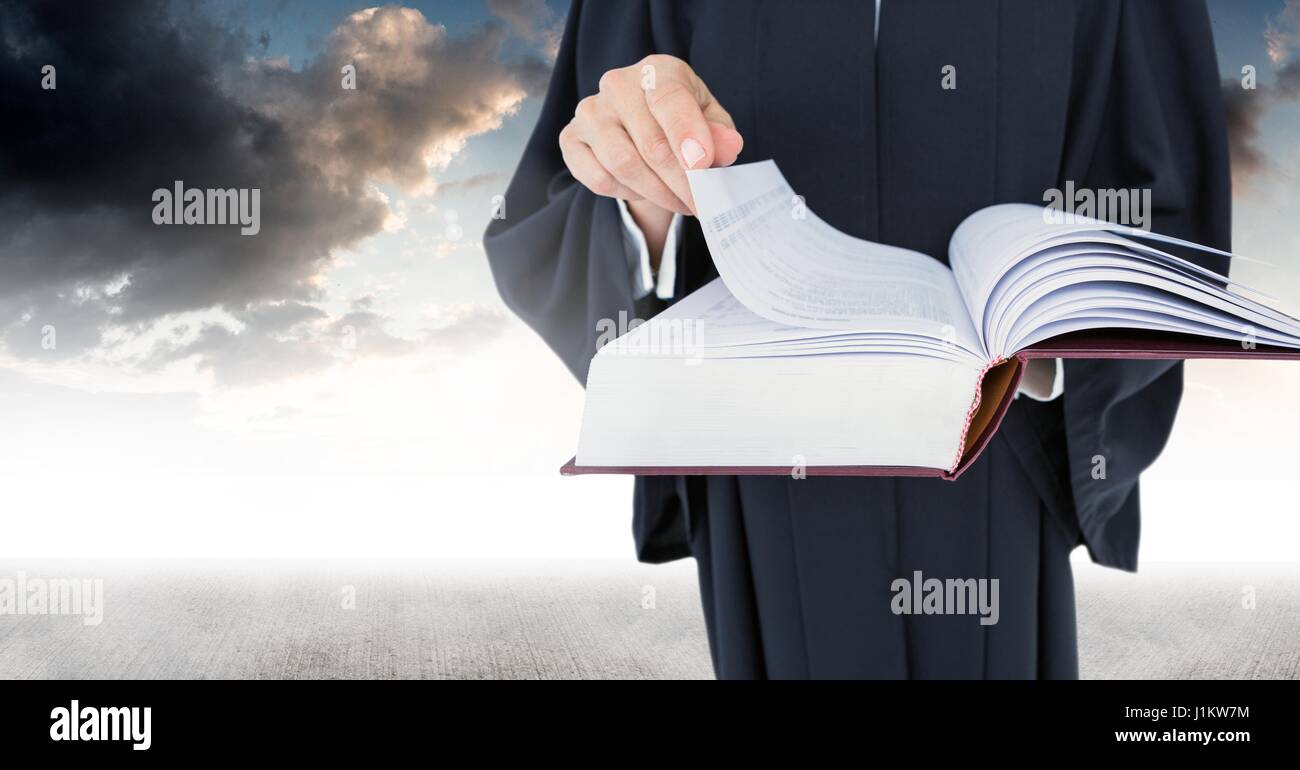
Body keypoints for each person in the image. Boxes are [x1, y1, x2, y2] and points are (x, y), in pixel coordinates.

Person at [485, 0, 1231, 679]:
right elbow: (566, 210)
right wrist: (644, 189)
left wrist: (1036, 328)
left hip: (995, 469)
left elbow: (1170, 209)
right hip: (767, 477)